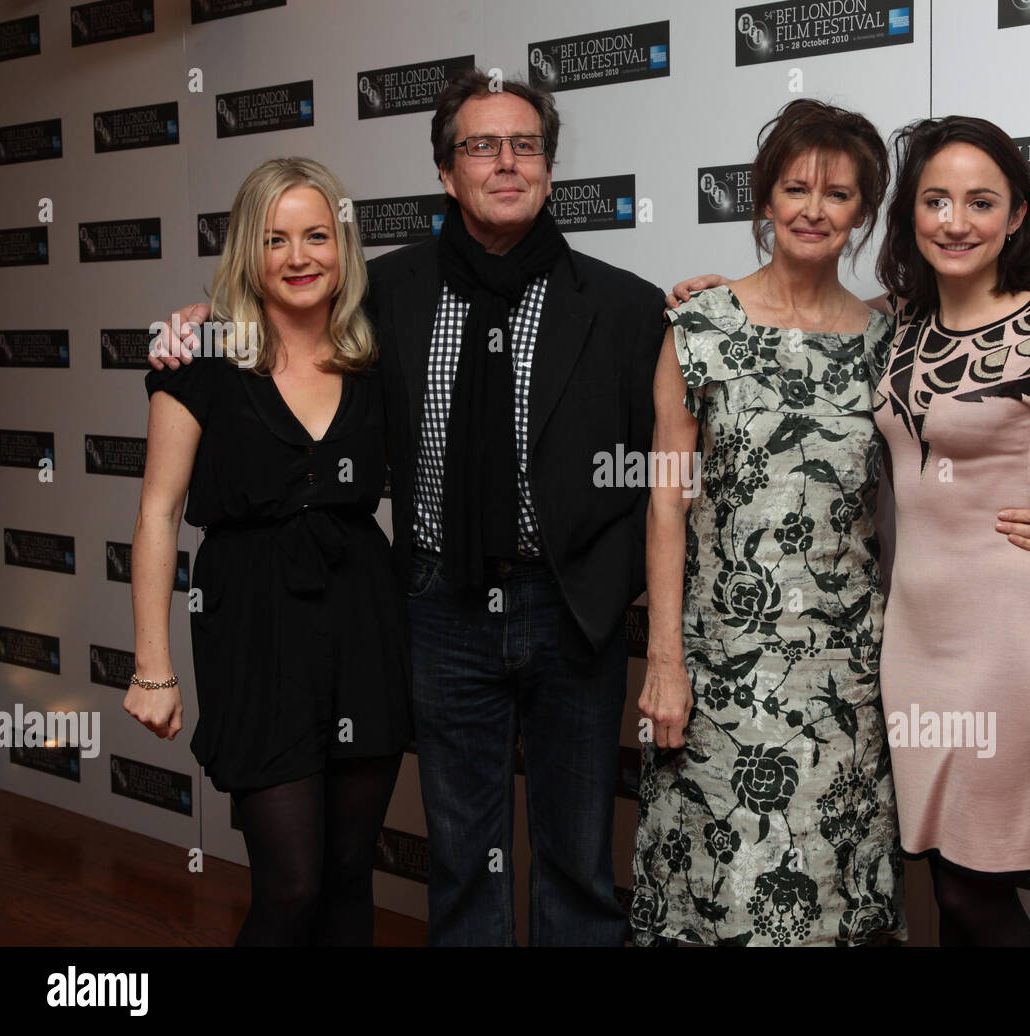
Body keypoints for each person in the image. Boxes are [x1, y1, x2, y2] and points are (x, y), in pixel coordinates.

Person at [152, 69, 665, 946]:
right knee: (463, 858)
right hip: (436, 610)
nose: (505, 162)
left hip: (571, 614)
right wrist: (204, 319)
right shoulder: (382, 295)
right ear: (444, 170)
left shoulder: (627, 307)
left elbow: (662, 475)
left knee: (579, 858)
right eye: (480, 146)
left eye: (525, 145)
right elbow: (286, 315)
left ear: (549, 166)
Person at [635, 100, 1030, 947]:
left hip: (850, 671)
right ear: (763, 200)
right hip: (721, 665)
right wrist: (663, 662)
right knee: (725, 890)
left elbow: (979, 437)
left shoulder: (887, 339)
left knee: (833, 893)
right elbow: (665, 499)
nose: (812, 209)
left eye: (837, 195)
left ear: (866, 211)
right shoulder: (699, 329)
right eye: (794, 188)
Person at [128, 157, 412, 945]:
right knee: (290, 886)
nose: (298, 258)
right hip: (255, 637)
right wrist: (153, 666)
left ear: (342, 246)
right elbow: (157, 516)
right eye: (275, 239)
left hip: (362, 631)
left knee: (351, 877)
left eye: (317, 236)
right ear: (247, 252)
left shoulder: (374, 356)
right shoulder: (200, 361)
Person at [871, 116, 1030, 946]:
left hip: (1005, 637)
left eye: (980, 202)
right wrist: (717, 291)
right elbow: (799, 313)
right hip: (911, 638)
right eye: (935, 200)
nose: (954, 220)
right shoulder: (894, 326)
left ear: (1015, 218)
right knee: (941, 878)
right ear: (911, 215)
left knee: (978, 890)